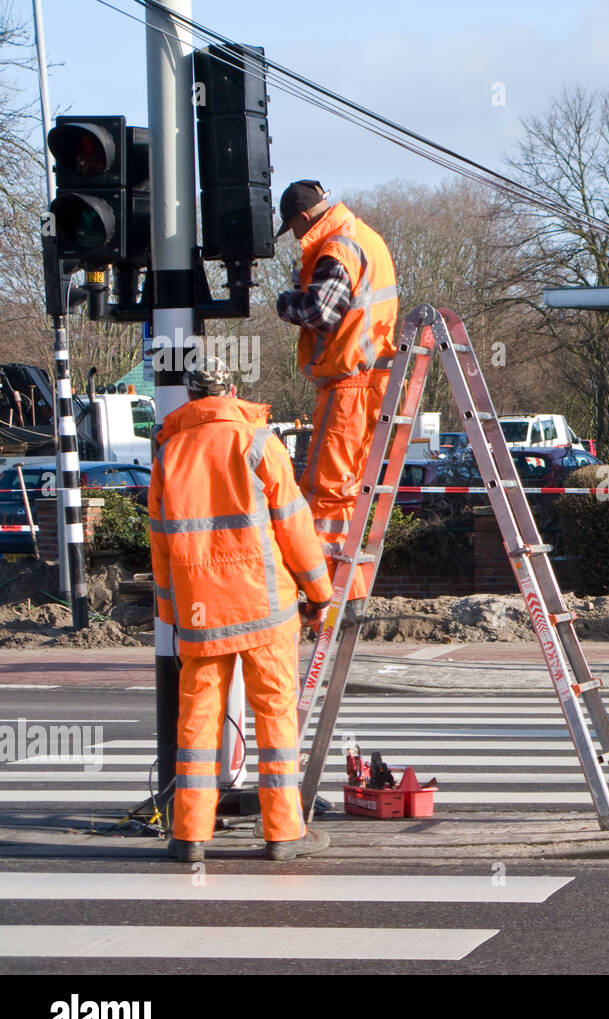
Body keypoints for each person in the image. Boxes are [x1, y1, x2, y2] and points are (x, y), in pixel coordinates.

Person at [150, 354, 334, 861]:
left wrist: (173, 613)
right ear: (231, 390)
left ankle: (190, 835)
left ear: (190, 396)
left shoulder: (169, 452)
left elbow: (163, 540)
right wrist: (319, 592)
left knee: (197, 721)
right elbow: (293, 525)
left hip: (201, 612)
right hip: (264, 606)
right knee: (276, 720)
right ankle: (282, 834)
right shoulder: (258, 442)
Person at [274, 180, 399, 602]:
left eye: (291, 226)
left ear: (303, 218)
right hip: (370, 379)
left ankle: (325, 595)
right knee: (347, 490)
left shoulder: (336, 247)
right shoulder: (366, 238)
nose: (293, 235)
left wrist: (284, 302)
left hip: (349, 384)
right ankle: (348, 592)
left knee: (326, 492)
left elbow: (321, 311)